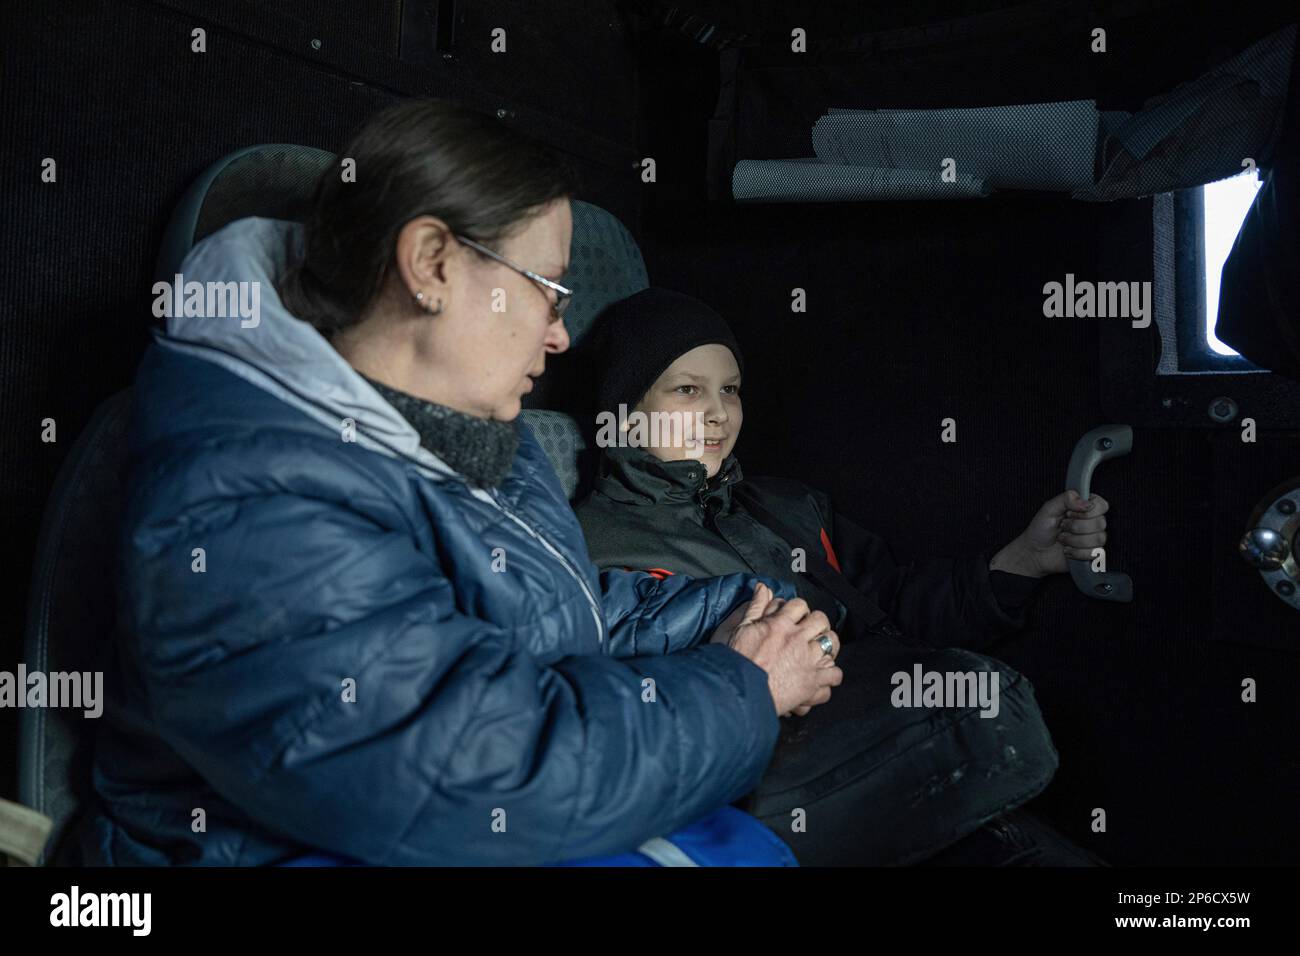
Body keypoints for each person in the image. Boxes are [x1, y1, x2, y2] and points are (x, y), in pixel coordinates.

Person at [72, 100, 845, 866]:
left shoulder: (460, 423)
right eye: (548, 288)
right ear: (432, 264)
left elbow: (539, 612)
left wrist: (737, 612)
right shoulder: (244, 503)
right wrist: (742, 686)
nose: (560, 333)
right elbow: (480, 777)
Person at [574, 287, 1110, 865]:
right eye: (687, 390)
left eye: (729, 389)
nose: (718, 413)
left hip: (897, 756)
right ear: (624, 408)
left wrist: (1023, 562)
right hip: (768, 796)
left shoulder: (787, 506)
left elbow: (892, 606)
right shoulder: (588, 543)